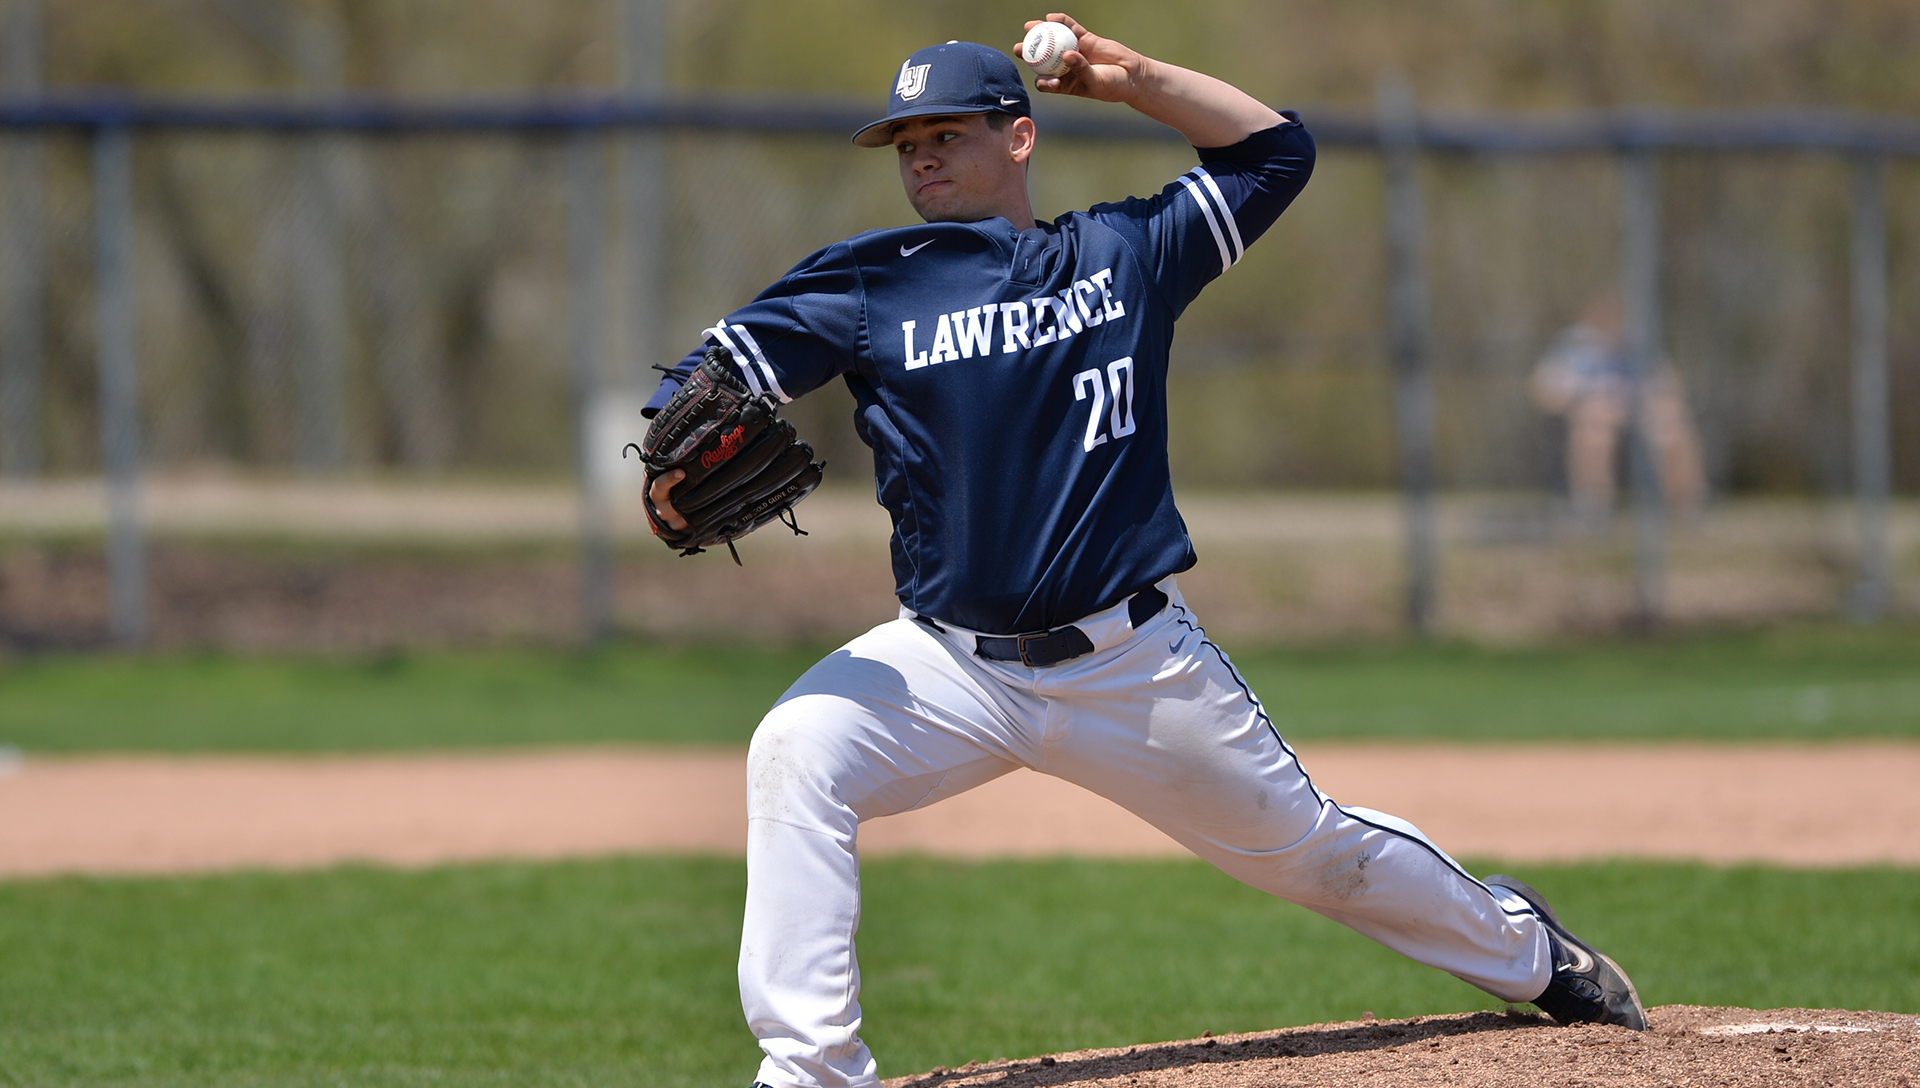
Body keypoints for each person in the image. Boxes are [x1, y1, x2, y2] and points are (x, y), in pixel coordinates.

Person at [645, 18, 1648, 1088]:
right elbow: (705, 380)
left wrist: (1135, 81)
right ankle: (810, 1069)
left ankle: (1528, 948)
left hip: (1133, 664)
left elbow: (1277, 154)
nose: (923, 154)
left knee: (1317, 853)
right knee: (795, 749)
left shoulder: (1124, 255)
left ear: (1019, 135)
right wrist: (669, 450)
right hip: (950, 666)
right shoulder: (868, 282)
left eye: (947, 130)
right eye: (905, 141)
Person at [1529, 293, 1707, 524]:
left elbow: (1670, 383)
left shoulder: (1638, 345)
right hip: (1593, 416)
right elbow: (1543, 390)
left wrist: (1658, 397)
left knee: (1670, 421)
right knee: (1595, 429)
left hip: (1637, 414)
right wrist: (1582, 402)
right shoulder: (1575, 346)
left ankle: (1688, 505)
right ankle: (1593, 509)